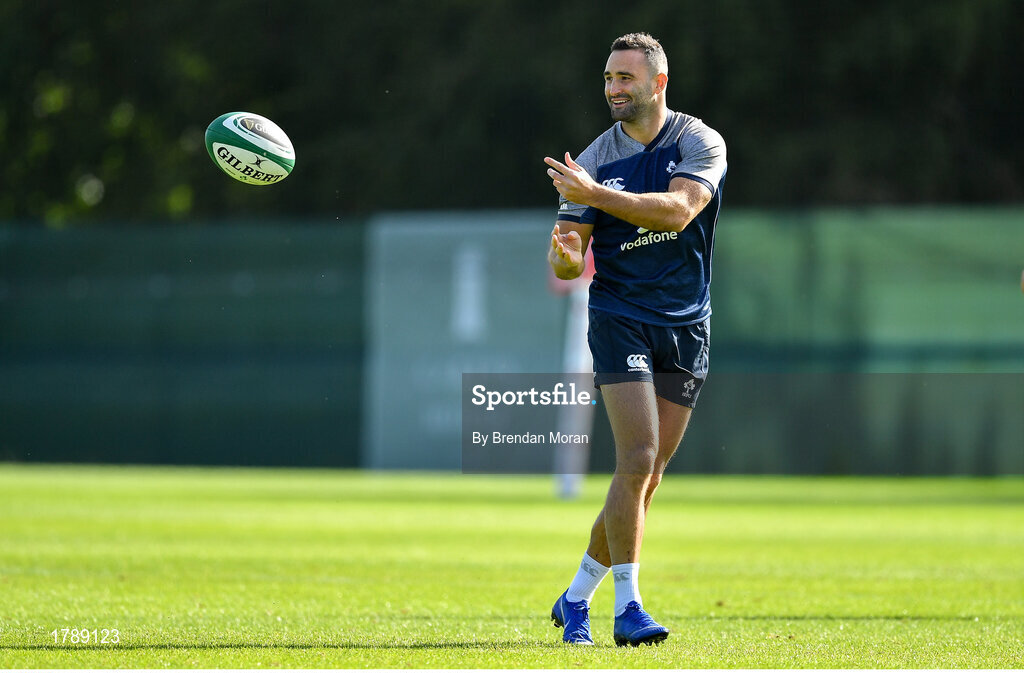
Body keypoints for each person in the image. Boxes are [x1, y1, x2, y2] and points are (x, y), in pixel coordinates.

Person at [544, 32, 727, 647]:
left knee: (647, 476)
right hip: (619, 315)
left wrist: (594, 196)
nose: (613, 89)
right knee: (638, 457)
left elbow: (679, 211)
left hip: (687, 321)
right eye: (607, 78)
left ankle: (575, 597)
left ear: (658, 83)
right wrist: (566, 256)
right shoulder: (595, 157)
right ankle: (629, 609)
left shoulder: (698, 141)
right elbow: (569, 253)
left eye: (625, 77)